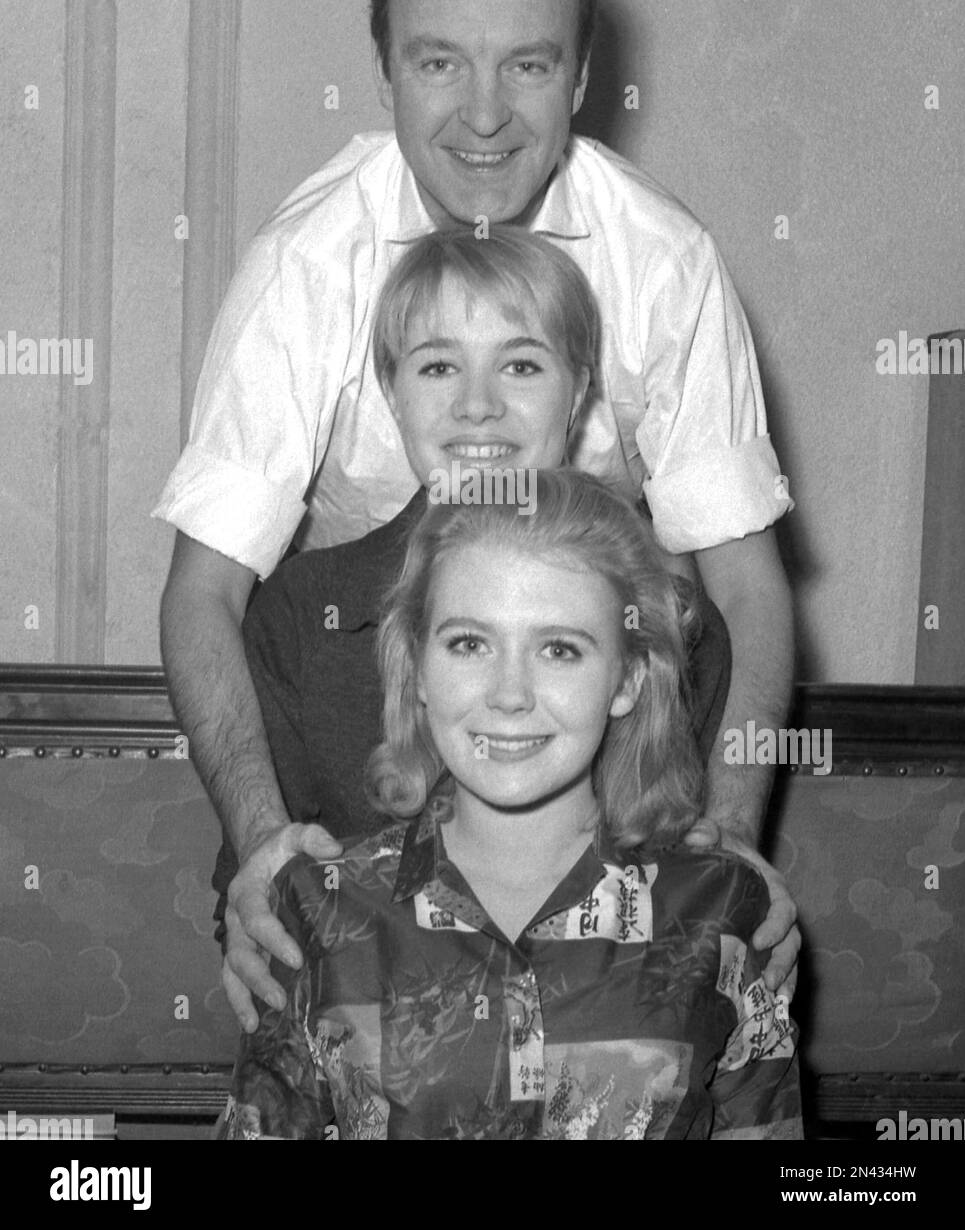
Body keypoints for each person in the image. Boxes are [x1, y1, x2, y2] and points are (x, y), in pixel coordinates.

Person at [155, 0, 798, 1024]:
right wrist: (261, 846)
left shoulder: (666, 262)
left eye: (529, 64)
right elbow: (205, 592)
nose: (485, 112)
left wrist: (728, 850)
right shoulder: (307, 265)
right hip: (348, 784)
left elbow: (747, 595)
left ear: (586, 75)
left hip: (597, 817)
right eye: (439, 60)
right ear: (386, 69)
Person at [221, 469, 802, 1140]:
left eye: (560, 649)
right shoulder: (315, 909)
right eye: (470, 644)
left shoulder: (722, 909)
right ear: (416, 669)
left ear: (629, 677)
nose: (509, 694)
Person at [216, 226, 732, 972]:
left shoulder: (674, 623)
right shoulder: (300, 614)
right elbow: (256, 906)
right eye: (438, 367)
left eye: (521, 364)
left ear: (581, 388)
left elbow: (696, 898)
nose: (478, 406)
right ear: (391, 393)